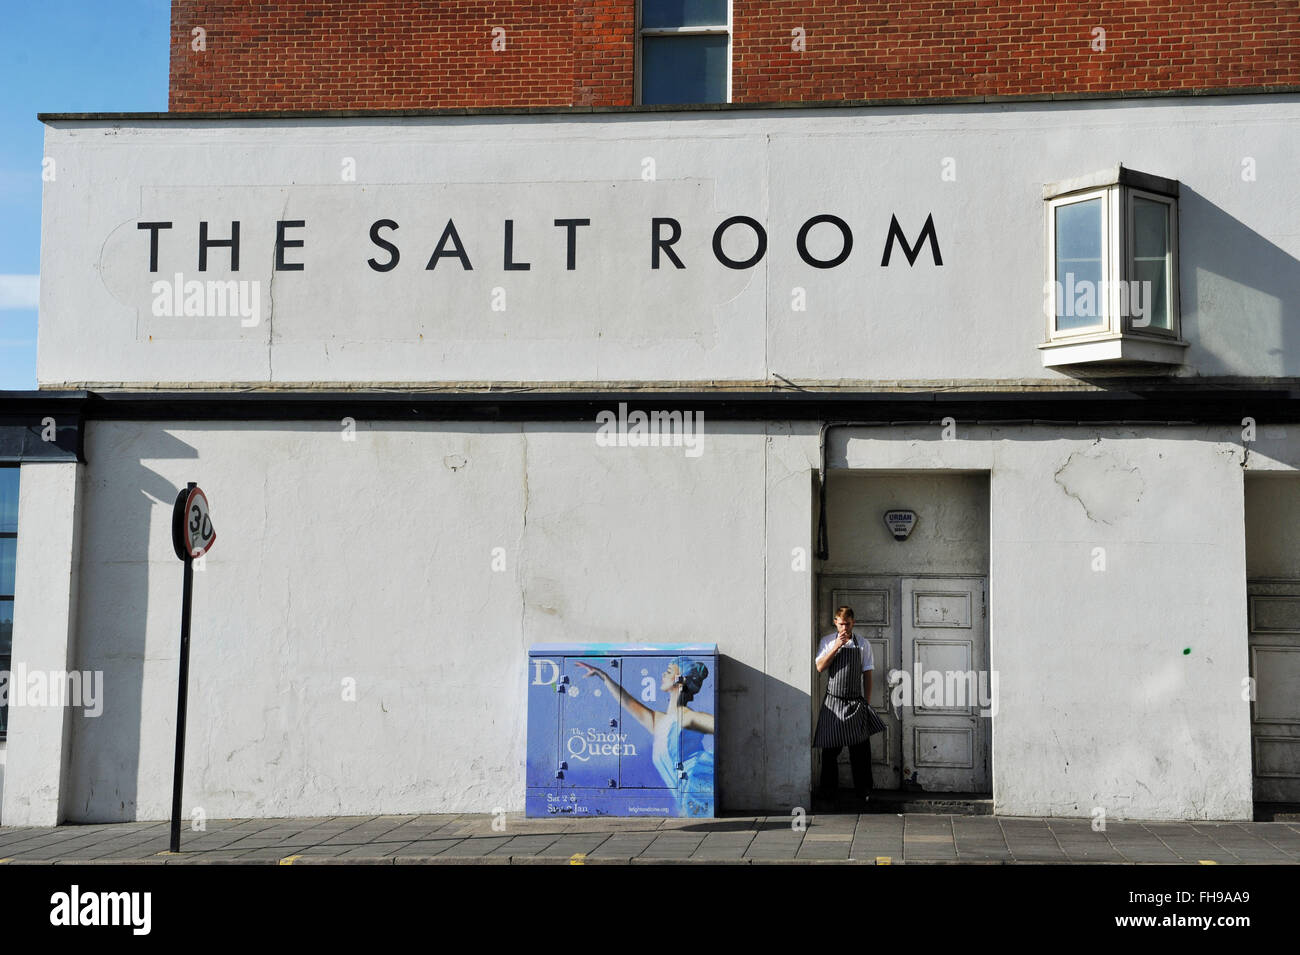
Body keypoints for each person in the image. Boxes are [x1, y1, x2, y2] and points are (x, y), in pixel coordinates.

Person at [575, 657, 715, 816]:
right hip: (685, 803)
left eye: (669, 672)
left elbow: (719, 725)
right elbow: (627, 702)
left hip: (698, 796)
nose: (663, 674)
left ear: (680, 680)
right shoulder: (658, 720)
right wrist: (604, 676)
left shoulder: (688, 718)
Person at [813, 606, 880, 808]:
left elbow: (867, 675)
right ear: (835, 622)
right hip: (833, 702)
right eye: (841, 624)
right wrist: (836, 646)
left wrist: (866, 703)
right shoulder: (827, 641)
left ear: (853, 622)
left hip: (855, 702)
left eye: (848, 624)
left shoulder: (863, 644)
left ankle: (864, 791)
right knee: (830, 751)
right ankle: (828, 792)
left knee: (860, 750)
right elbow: (820, 667)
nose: (844, 628)